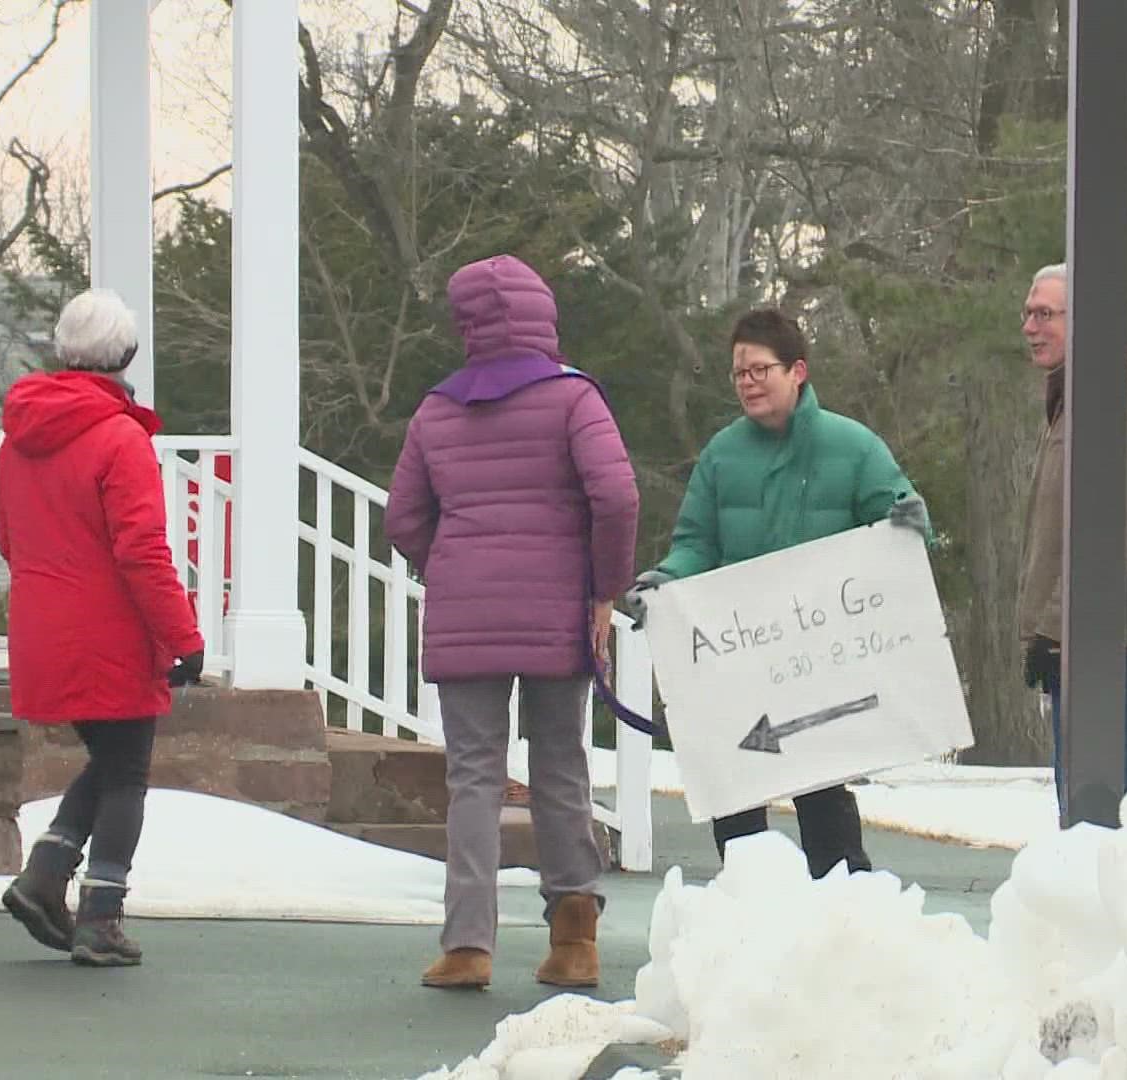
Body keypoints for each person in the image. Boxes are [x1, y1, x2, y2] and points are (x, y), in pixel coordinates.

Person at [385, 254, 640, 991]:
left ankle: (468, 946)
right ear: (542, 314)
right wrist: (603, 590)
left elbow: (402, 518)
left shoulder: (436, 410)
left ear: (466, 324)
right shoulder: (574, 398)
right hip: (558, 608)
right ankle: (574, 941)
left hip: (466, 612)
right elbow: (617, 497)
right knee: (560, 765)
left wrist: (452, 564)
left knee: (474, 778)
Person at [617, 308, 932, 879]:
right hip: (741, 658)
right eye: (739, 373)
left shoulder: (853, 446)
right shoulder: (721, 456)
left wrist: (910, 521)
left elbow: (894, 525)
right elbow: (696, 544)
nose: (748, 383)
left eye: (760, 370)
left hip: (820, 659)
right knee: (736, 801)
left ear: (797, 371)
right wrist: (666, 581)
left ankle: (847, 903)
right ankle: (748, 896)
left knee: (824, 797)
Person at [0, 289, 206, 968]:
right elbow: (142, 550)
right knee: (126, 773)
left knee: (111, 761)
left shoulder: (19, 438)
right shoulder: (120, 438)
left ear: (63, 348)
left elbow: (7, 538)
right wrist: (183, 636)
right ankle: (100, 916)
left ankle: (46, 875)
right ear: (128, 354)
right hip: (109, 632)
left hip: (42, 625)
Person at [1015, 263, 1127, 817]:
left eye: (1045, 314)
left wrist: (1058, 627)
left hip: (1121, 640)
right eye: (1027, 313)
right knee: (1086, 811)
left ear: (1087, 318)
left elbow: (1118, 529)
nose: (1029, 327)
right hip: (1088, 637)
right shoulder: (1082, 393)